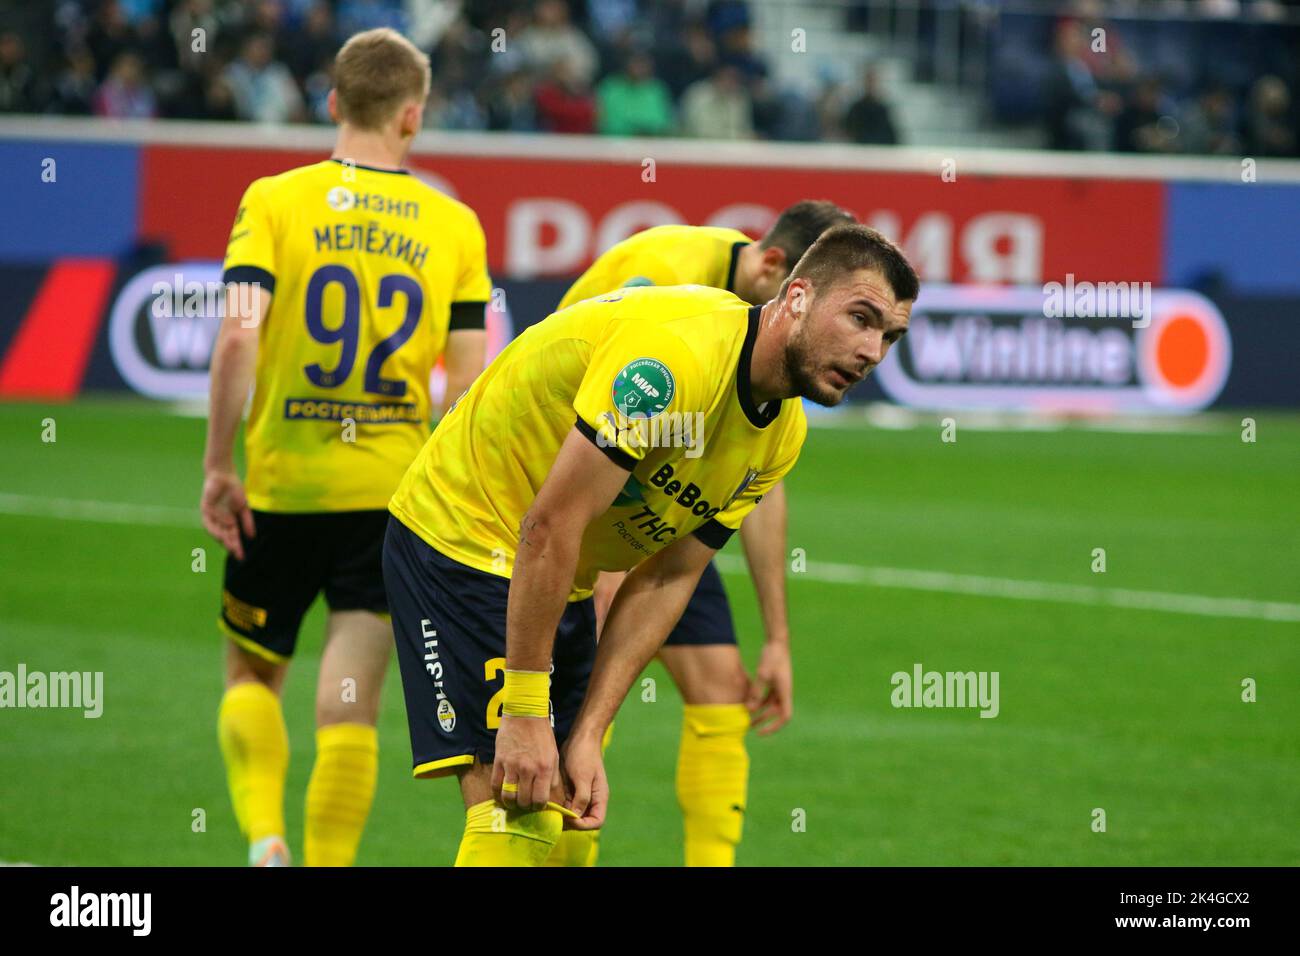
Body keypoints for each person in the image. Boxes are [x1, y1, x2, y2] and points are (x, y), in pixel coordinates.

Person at [383, 223, 918, 866]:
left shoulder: (782, 437)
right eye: (860, 319)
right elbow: (549, 527)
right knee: (518, 811)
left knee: (571, 821)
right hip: (464, 528)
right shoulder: (672, 364)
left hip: (558, 562)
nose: (872, 351)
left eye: (889, 336)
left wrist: (589, 731)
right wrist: (527, 709)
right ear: (797, 296)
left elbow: (667, 576)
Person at [201, 27, 491, 867]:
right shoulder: (454, 225)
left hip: (285, 483)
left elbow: (235, 341)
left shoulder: (275, 200)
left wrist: (221, 464)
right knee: (349, 702)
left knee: (252, 676)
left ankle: (265, 841)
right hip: (391, 495)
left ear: (332, 103)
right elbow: (470, 391)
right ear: (414, 115)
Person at [549, 200, 854, 867]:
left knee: (721, 688)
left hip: (663, 503)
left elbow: (760, 481)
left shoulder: (774, 348)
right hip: (577, 498)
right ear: (776, 267)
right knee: (579, 715)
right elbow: (596, 425)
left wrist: (777, 637)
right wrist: (601, 572)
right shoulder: (665, 275)